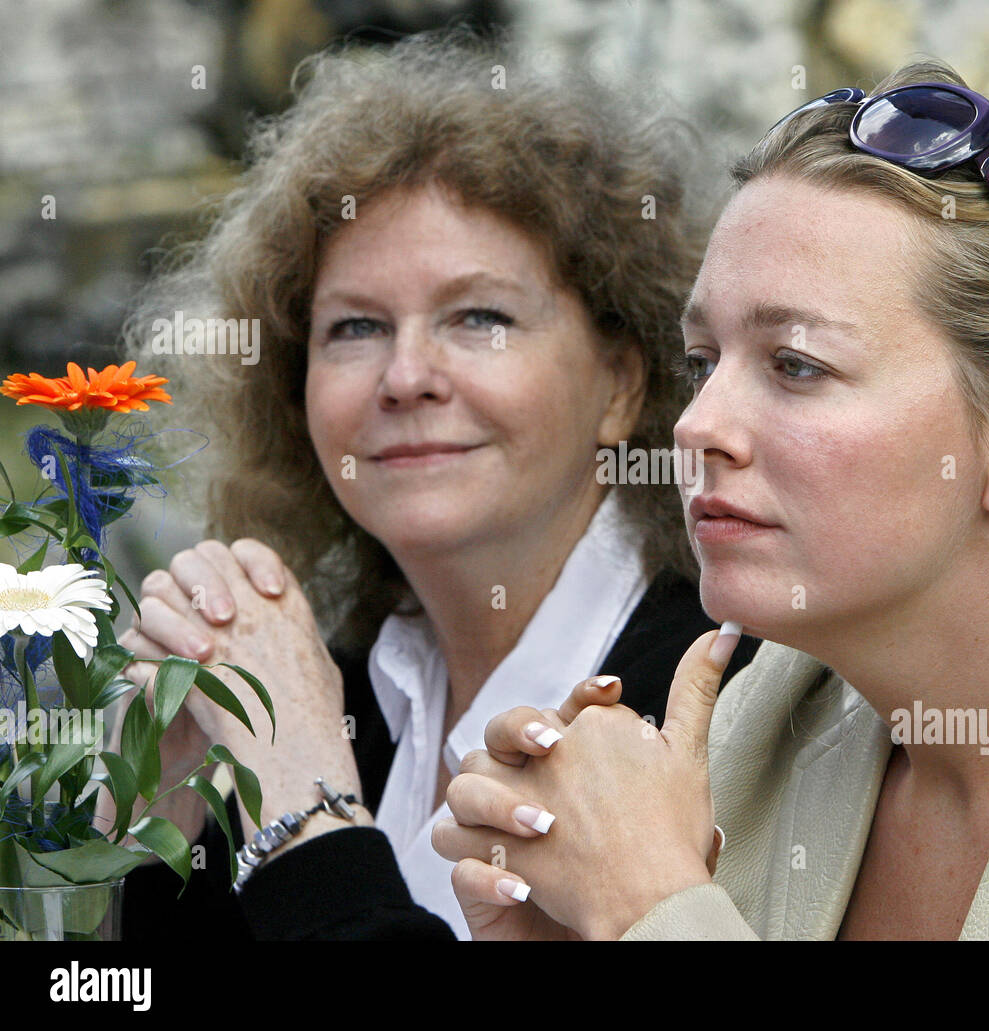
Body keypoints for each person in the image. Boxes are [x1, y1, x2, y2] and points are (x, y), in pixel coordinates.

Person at [432, 59, 989, 940]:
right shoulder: (777, 711)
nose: (697, 426)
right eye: (704, 361)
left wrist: (649, 903)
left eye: (797, 365)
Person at [113, 30, 755, 940]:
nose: (405, 375)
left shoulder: (726, 700)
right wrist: (162, 838)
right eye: (354, 328)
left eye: (479, 317)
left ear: (621, 383)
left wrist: (306, 804)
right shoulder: (321, 689)